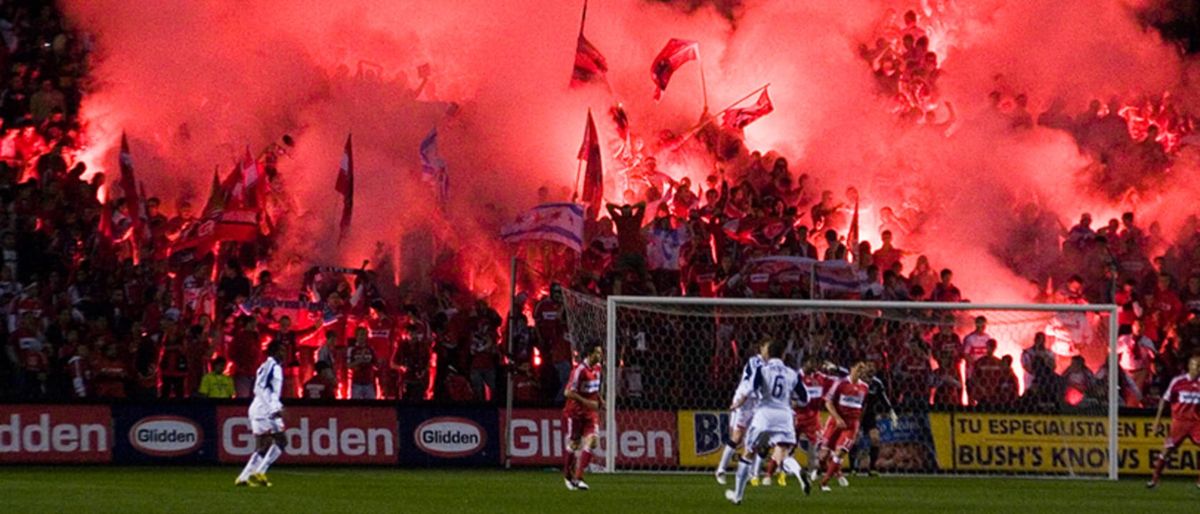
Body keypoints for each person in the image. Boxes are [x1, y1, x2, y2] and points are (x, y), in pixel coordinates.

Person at [724, 339, 811, 505]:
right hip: (785, 416)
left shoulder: (761, 369)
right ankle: (799, 472)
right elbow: (805, 399)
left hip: (764, 415)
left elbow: (750, 390)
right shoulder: (792, 373)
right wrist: (790, 400)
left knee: (748, 454)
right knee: (782, 454)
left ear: (768, 354)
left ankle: (738, 496)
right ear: (783, 355)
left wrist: (738, 403)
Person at [715, 339, 769, 485]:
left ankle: (754, 474)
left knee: (756, 438)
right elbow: (753, 384)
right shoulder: (755, 362)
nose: (768, 351)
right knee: (737, 437)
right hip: (744, 400)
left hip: (757, 402)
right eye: (766, 347)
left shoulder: (771, 365)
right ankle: (721, 469)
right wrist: (740, 401)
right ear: (761, 348)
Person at [235, 342, 287, 488]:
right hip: (264, 409)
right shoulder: (271, 365)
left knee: (264, 445)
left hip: (262, 407)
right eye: (282, 350)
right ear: (274, 352)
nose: (284, 354)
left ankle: (244, 477)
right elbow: (259, 387)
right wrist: (272, 408)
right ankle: (259, 472)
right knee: (280, 441)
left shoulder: (272, 366)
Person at [817, 362, 874, 491]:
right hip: (835, 422)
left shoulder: (864, 387)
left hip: (851, 425)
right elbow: (828, 402)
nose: (860, 372)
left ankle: (824, 483)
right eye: (858, 369)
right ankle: (834, 472)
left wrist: (857, 423)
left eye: (862, 370)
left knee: (839, 453)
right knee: (823, 455)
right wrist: (837, 418)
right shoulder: (840, 383)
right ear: (851, 369)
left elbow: (862, 407)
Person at [1147, 354, 1200, 489]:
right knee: (1167, 450)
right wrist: (1157, 421)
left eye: (1199, 366)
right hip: (1179, 423)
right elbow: (1164, 400)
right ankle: (1155, 479)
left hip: (1196, 423)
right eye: (1195, 365)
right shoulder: (1178, 381)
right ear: (1189, 366)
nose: (1197, 368)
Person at [562, 343, 604, 491]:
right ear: (589, 354)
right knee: (575, 444)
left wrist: (599, 399)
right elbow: (567, 393)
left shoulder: (598, 368)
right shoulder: (579, 370)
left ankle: (579, 478)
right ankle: (568, 476)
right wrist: (587, 402)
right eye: (598, 353)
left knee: (593, 441)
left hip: (590, 413)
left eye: (601, 352)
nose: (600, 355)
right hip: (576, 412)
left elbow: (594, 387)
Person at [347, 327, 378, 400]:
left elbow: (375, 364)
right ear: (356, 336)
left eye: (364, 335)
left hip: (369, 383)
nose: (362, 337)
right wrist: (359, 361)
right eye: (360, 335)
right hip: (357, 383)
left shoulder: (370, 349)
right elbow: (348, 365)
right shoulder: (352, 349)